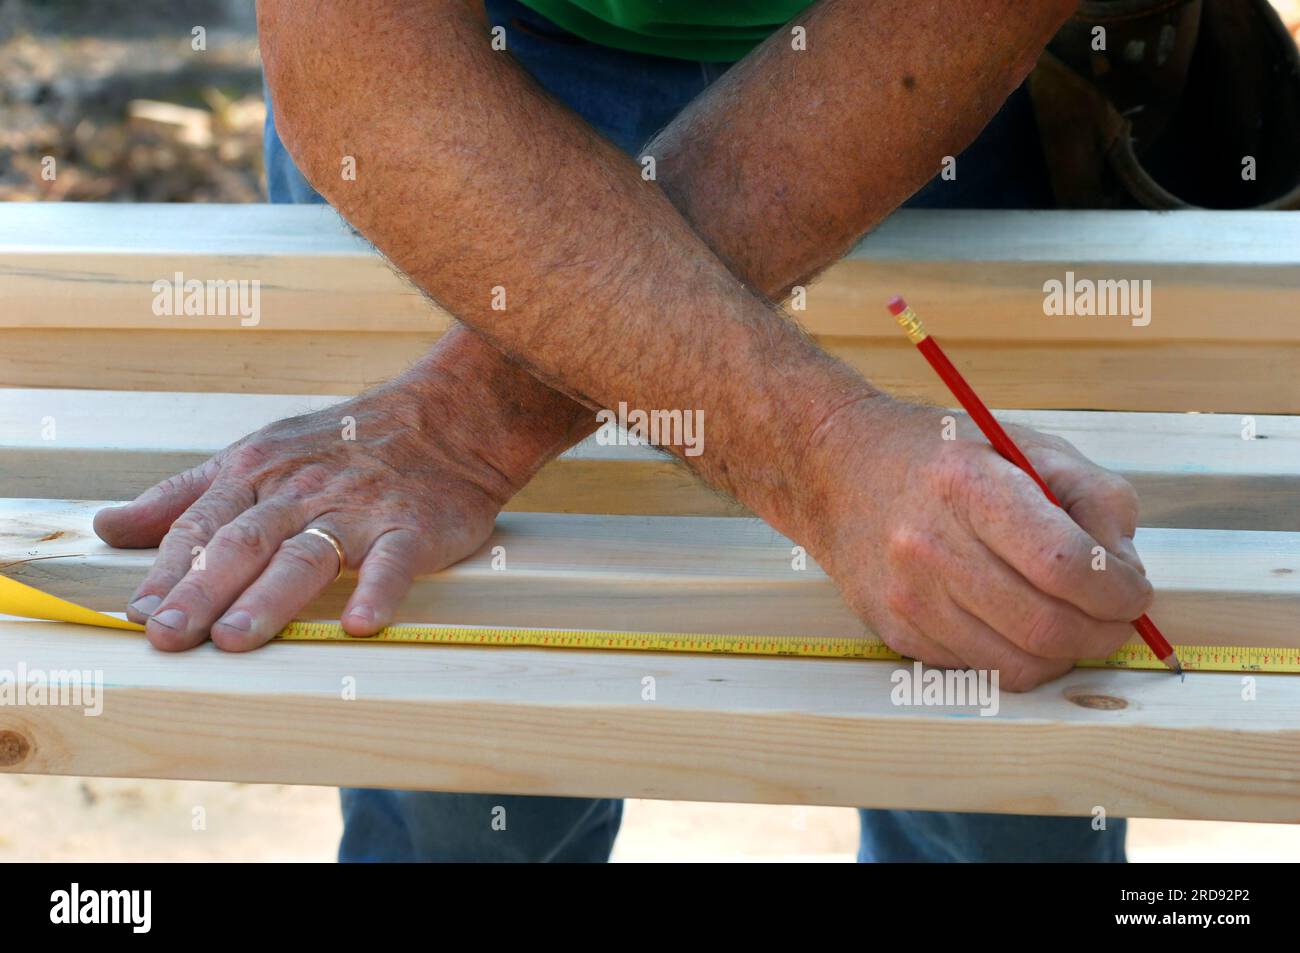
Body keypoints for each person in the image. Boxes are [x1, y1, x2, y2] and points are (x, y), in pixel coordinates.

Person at [95, 0, 1157, 862]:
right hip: (476, 83)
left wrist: (468, 412)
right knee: (463, 786)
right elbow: (357, 55)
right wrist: (831, 458)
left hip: (904, 74)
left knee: (1001, 742)